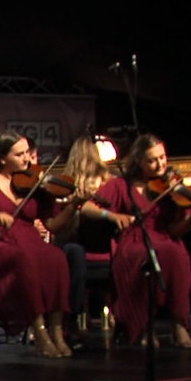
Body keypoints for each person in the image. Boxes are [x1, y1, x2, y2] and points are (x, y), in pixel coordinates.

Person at [0, 130, 84, 358]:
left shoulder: (35, 186)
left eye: (27, 153)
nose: (27, 159)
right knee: (25, 260)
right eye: (19, 154)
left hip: (29, 239)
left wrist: (73, 206)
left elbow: (53, 224)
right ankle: (39, 331)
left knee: (58, 258)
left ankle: (57, 330)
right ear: (3, 158)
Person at [80, 132, 191, 349]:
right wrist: (113, 216)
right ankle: (143, 325)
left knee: (177, 255)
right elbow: (87, 207)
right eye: (152, 160)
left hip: (164, 238)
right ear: (139, 161)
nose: (159, 164)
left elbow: (176, 231)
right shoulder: (122, 185)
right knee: (143, 259)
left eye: (162, 157)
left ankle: (179, 324)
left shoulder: (171, 187)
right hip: (132, 241)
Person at [52, 135, 115, 340]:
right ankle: (97, 312)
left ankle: (79, 314)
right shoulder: (107, 181)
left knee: (74, 247)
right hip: (96, 246)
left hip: (86, 245)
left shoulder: (71, 181)